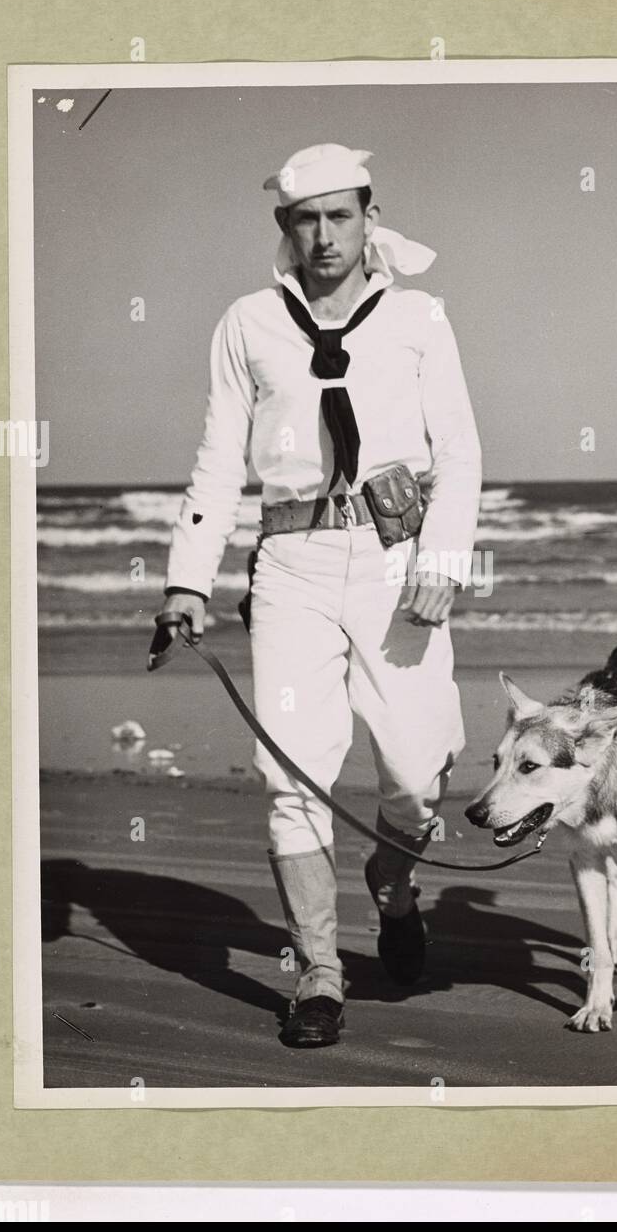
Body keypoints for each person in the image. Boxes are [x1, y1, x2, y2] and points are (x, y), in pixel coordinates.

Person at [156, 143, 482, 1047]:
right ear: (285, 229)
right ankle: (318, 976)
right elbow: (220, 460)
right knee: (291, 774)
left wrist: (442, 564)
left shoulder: (420, 317)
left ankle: (396, 881)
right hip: (291, 564)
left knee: (416, 773)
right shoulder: (247, 322)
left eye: (342, 216)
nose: (325, 235)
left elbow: (458, 452)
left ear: (369, 218)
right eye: (307, 219)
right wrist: (188, 580)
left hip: (395, 557)